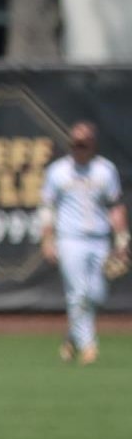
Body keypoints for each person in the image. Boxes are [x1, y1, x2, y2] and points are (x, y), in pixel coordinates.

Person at [40, 121, 129, 365]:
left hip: (99, 239)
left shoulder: (105, 170)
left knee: (96, 294)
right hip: (70, 239)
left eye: (83, 143)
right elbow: (48, 207)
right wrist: (47, 239)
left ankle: (72, 336)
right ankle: (89, 346)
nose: (78, 148)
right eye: (75, 143)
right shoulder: (58, 171)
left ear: (92, 144)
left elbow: (115, 206)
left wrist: (122, 239)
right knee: (78, 293)